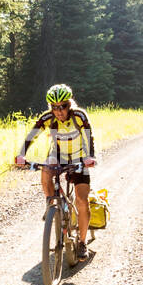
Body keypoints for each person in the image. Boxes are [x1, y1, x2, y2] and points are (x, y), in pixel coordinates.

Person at [15, 83, 97, 261]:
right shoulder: (48, 118)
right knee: (45, 170)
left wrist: (90, 157)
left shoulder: (79, 116)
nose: (59, 111)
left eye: (63, 107)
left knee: (82, 200)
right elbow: (32, 135)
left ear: (70, 104)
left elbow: (89, 136)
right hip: (58, 156)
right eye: (55, 107)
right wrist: (21, 154)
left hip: (79, 157)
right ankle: (51, 204)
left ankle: (82, 242)